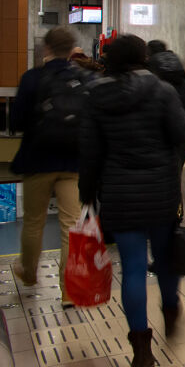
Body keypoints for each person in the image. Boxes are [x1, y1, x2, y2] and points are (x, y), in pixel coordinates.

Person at [79, 35, 185, 365]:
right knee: (165, 259)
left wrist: (87, 193)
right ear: (143, 58)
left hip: (119, 195)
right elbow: (181, 132)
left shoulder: (95, 95)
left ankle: (141, 350)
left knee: (133, 268)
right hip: (161, 192)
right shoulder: (161, 90)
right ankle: (171, 310)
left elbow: (90, 152)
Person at [9, 27, 88, 304]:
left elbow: (16, 122)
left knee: (34, 221)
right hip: (73, 161)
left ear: (46, 49)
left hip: (38, 159)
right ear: (71, 50)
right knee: (71, 225)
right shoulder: (80, 79)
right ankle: (68, 291)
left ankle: (29, 273)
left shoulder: (32, 78)